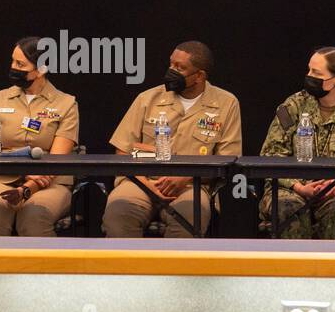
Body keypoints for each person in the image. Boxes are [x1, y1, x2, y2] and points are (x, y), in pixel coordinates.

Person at [103, 41, 241, 238]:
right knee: (118, 212)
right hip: (141, 181)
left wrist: (186, 176)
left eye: (180, 68)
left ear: (199, 76)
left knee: (192, 217)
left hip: (191, 185)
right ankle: (129, 269)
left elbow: (228, 159)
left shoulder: (226, 103)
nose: (172, 71)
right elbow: (123, 150)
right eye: (171, 64)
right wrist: (146, 184)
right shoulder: (147, 98)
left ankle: (172, 270)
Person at [259, 46, 335, 239]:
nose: (309, 76)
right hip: (291, 188)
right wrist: (299, 187)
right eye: (309, 70)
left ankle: (334, 268)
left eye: (316, 73)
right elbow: (270, 156)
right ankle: (293, 268)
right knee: (289, 207)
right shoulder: (293, 106)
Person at [0, 36, 80, 236]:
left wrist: (27, 188)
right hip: (3, 179)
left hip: (51, 183)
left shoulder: (66, 104)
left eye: (20, 64)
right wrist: (22, 170)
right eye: (12, 61)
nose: (13, 67)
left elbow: (56, 161)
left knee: (33, 218)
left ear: (41, 70)